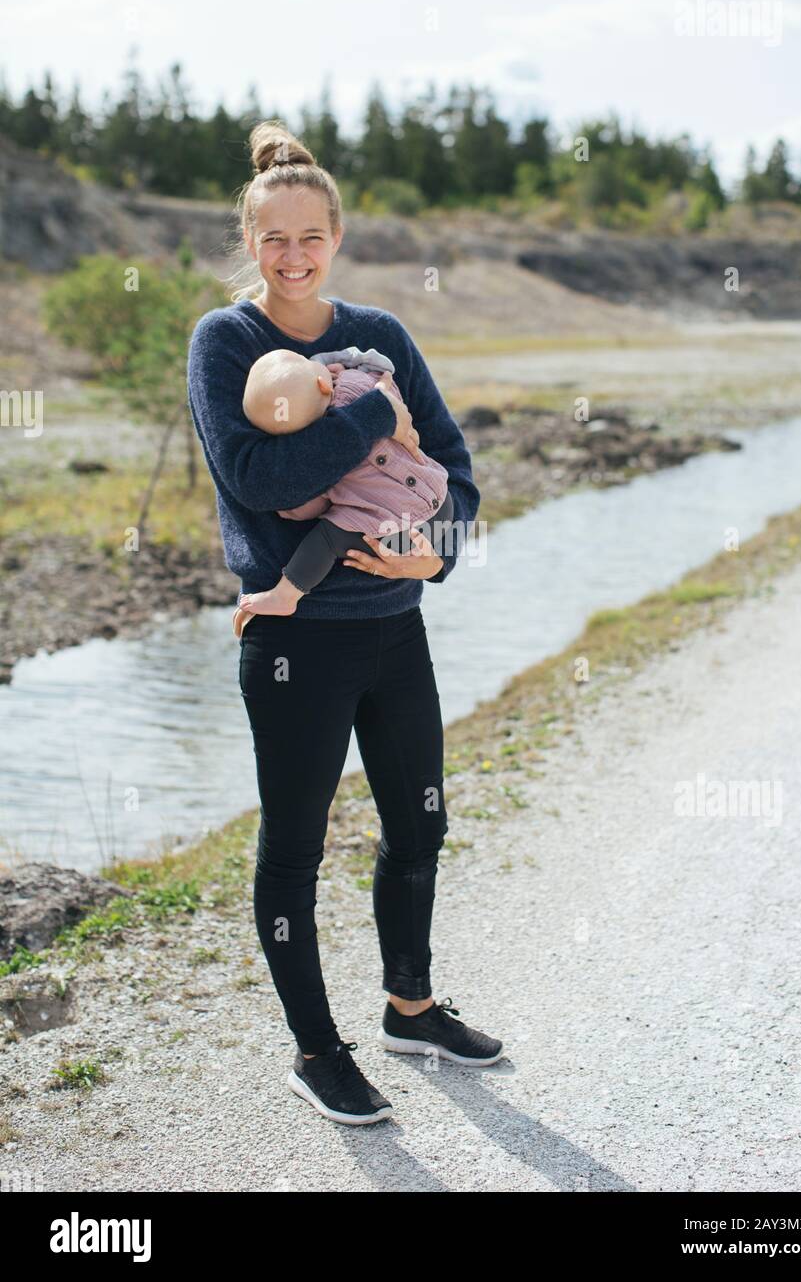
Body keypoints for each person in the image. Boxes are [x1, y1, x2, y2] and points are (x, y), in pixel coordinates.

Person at [186, 119, 504, 1126]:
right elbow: (260, 474)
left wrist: (434, 552)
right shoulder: (227, 339)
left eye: (308, 236)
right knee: (294, 846)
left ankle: (409, 1007)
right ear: (251, 241)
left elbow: (452, 466)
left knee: (419, 823)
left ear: (335, 236)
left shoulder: (384, 334)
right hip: (293, 643)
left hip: (392, 627)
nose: (290, 255)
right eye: (271, 239)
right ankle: (318, 1050)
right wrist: (371, 415)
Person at [230, 344, 455, 635]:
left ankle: (286, 595)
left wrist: (289, 511)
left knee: (326, 537)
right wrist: (344, 368)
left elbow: (304, 506)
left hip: (390, 536)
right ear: (324, 383)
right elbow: (381, 373)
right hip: (442, 504)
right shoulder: (359, 386)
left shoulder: (312, 453)